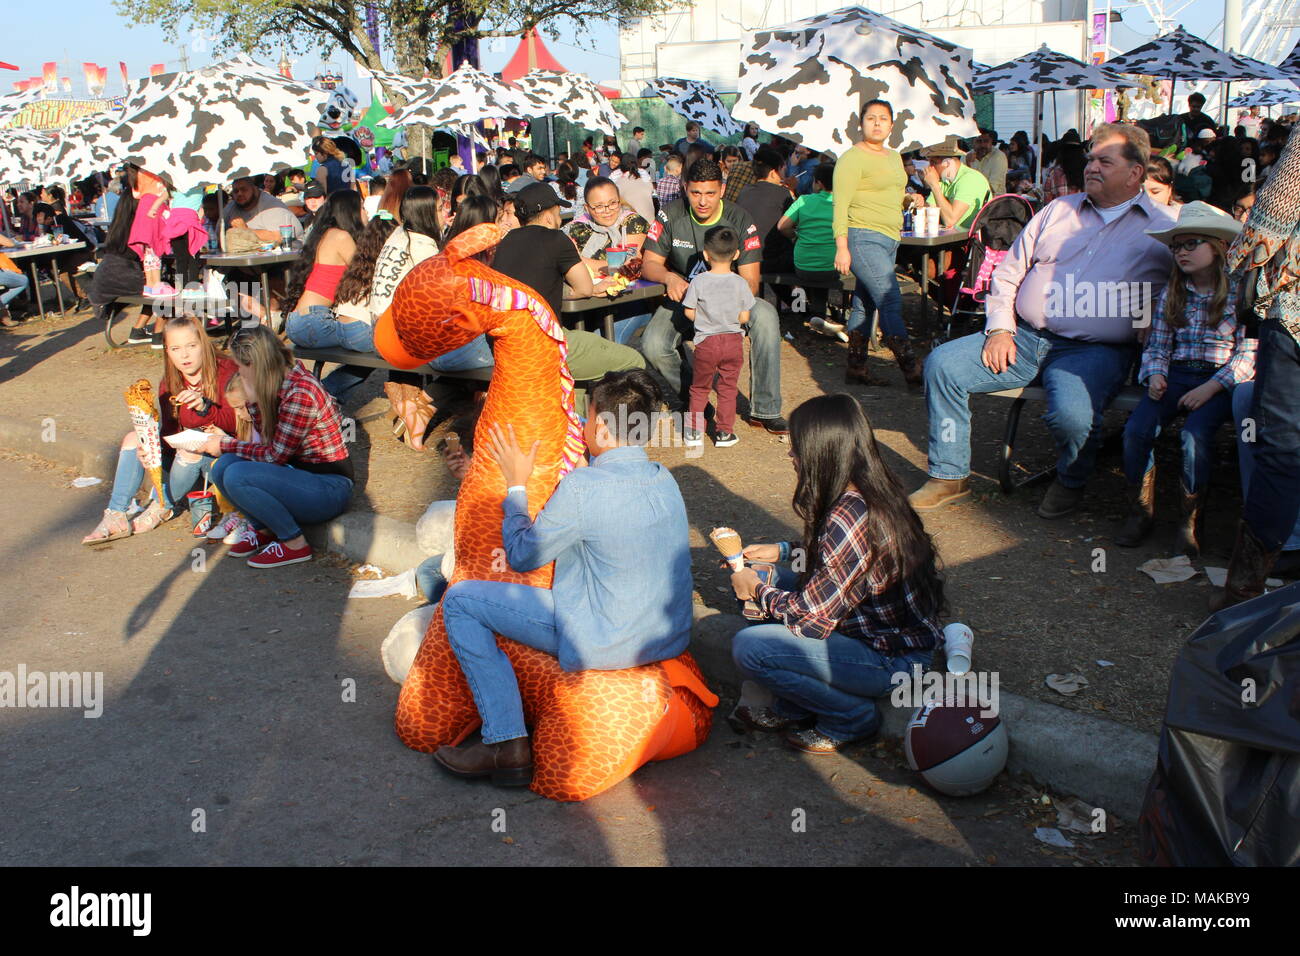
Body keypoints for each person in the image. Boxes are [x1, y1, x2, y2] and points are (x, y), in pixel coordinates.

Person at [432, 369, 693, 785]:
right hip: (668, 636)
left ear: (603, 428)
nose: (585, 426)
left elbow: (522, 555)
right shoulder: (666, 480)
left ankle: (505, 743)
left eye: (588, 418)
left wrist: (516, 486)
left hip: (602, 639)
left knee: (462, 600)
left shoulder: (583, 489)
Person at [910, 123, 1177, 517]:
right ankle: (949, 475)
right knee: (943, 366)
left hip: (1095, 350)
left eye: (1105, 161)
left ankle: (1071, 479)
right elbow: (1008, 273)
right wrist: (1000, 328)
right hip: (1024, 337)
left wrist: (1152, 316)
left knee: (1072, 415)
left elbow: (1191, 286)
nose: (1091, 167)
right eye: (1090, 159)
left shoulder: (1166, 226)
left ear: (1136, 172)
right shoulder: (1058, 210)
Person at [729, 393, 944, 754]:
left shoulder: (848, 515)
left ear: (820, 454)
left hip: (891, 660)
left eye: (796, 447)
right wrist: (783, 552)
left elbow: (811, 620)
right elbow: (843, 564)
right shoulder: (870, 488)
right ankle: (797, 705)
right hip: (872, 629)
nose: (790, 455)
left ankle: (849, 717)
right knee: (765, 573)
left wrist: (755, 590)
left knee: (750, 648)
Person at [1118, 202, 1253, 555]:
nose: (1181, 252)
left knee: (1194, 436)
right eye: (1176, 246)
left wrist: (1211, 387)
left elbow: (1249, 354)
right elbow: (1159, 343)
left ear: (1218, 246)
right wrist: (1157, 374)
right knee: (1137, 429)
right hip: (1178, 373)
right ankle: (1141, 509)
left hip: (1221, 380)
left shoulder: (1240, 292)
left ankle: (1190, 520)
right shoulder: (1173, 292)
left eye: (1191, 243)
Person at [640, 158, 789, 435]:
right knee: (653, 343)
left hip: (732, 300)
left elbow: (752, 283)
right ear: (685, 188)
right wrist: (669, 276)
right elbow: (649, 262)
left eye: (710, 193)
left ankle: (765, 409)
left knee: (766, 315)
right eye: (695, 193)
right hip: (684, 299)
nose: (703, 201)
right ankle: (698, 402)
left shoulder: (741, 218)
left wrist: (719, 298)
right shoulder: (670, 214)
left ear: (722, 189)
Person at [204, 326, 354, 569]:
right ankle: (265, 528)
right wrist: (254, 402)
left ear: (255, 367)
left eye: (242, 370)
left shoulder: (300, 392)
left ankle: (294, 543)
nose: (239, 375)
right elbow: (267, 443)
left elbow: (274, 457)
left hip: (329, 487)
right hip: (298, 475)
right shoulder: (276, 385)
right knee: (223, 466)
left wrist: (225, 443)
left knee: (237, 473)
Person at [81, 315, 240, 544]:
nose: (184, 355)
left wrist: (206, 408)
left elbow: (241, 422)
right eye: (175, 349)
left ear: (203, 345)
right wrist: (150, 450)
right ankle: (116, 513)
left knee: (191, 449)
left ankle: (162, 506)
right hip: (185, 456)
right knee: (133, 438)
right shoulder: (170, 381)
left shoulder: (227, 371)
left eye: (191, 346)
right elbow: (169, 432)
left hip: (224, 455)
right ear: (167, 350)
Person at [491, 183, 648, 413]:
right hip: (544, 343)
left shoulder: (505, 243)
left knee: (578, 377)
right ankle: (617, 424)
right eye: (557, 211)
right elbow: (584, 288)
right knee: (633, 360)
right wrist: (589, 288)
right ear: (547, 215)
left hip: (506, 344)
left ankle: (576, 425)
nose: (559, 217)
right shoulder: (556, 240)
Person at [832, 99, 920, 387]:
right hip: (862, 236)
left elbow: (895, 191)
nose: (878, 123)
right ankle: (911, 366)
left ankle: (856, 367)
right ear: (861, 124)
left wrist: (909, 199)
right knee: (890, 298)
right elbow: (840, 205)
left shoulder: (894, 157)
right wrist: (842, 246)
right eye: (871, 118)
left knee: (865, 303)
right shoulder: (851, 158)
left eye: (883, 118)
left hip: (890, 237)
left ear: (892, 126)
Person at [281, 191, 365, 388]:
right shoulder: (341, 237)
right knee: (368, 342)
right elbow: (366, 273)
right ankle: (327, 392)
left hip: (301, 320)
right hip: (313, 321)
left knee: (366, 344)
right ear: (350, 211)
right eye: (361, 207)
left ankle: (327, 392)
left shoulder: (324, 234)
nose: (365, 211)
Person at [682, 226, 754, 447]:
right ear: (736, 254)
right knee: (727, 388)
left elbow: (688, 311)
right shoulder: (741, 283)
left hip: (706, 342)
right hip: (733, 341)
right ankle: (724, 432)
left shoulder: (699, 282)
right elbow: (744, 316)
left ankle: (694, 432)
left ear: (705, 254)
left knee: (700, 387)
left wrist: (703, 319)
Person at [562, 176, 651, 344]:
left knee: (602, 343)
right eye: (598, 207)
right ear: (587, 208)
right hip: (588, 302)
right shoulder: (576, 228)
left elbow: (628, 267)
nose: (607, 210)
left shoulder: (632, 223)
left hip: (629, 300)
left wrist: (580, 261)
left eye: (613, 203)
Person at [778, 164, 838, 328]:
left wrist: (795, 235)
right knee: (826, 263)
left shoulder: (804, 200)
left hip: (803, 266)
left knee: (814, 264)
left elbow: (782, 226)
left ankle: (815, 312)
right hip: (834, 267)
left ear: (818, 183)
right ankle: (823, 312)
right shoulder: (843, 204)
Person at [918, 136, 990, 231]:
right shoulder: (944, 181)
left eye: (933, 162)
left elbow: (950, 221)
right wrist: (917, 204)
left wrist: (934, 186)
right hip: (953, 238)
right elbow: (929, 214)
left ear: (947, 163)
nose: (930, 167)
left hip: (970, 241)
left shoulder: (970, 179)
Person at [224, 176, 304, 243]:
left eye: (244, 189)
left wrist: (245, 230)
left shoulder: (272, 206)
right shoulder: (232, 206)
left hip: (287, 256)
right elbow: (219, 233)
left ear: (255, 189)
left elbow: (280, 237)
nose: (239, 194)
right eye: (236, 191)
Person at [1041, 132, 1086, 203]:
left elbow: (1047, 201)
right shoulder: (1087, 172)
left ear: (1062, 152)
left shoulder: (1053, 173)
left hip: (1059, 213)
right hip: (1082, 213)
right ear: (1080, 152)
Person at [612, 152, 655, 222]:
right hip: (651, 221)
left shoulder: (618, 182)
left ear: (621, 167)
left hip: (634, 224)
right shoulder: (644, 176)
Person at [966, 128, 1007, 195]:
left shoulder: (998, 157)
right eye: (979, 141)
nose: (982, 145)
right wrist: (968, 164)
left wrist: (968, 166)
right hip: (971, 198)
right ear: (972, 143)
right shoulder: (966, 156)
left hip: (993, 201)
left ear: (991, 142)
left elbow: (990, 189)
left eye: (986, 141)